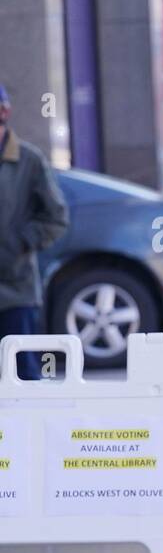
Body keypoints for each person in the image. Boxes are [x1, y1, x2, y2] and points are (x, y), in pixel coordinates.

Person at [0, 83, 68, 379]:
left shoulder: (29, 160)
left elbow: (56, 218)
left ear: (4, 112)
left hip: (16, 292)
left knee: (24, 378)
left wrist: (20, 242)